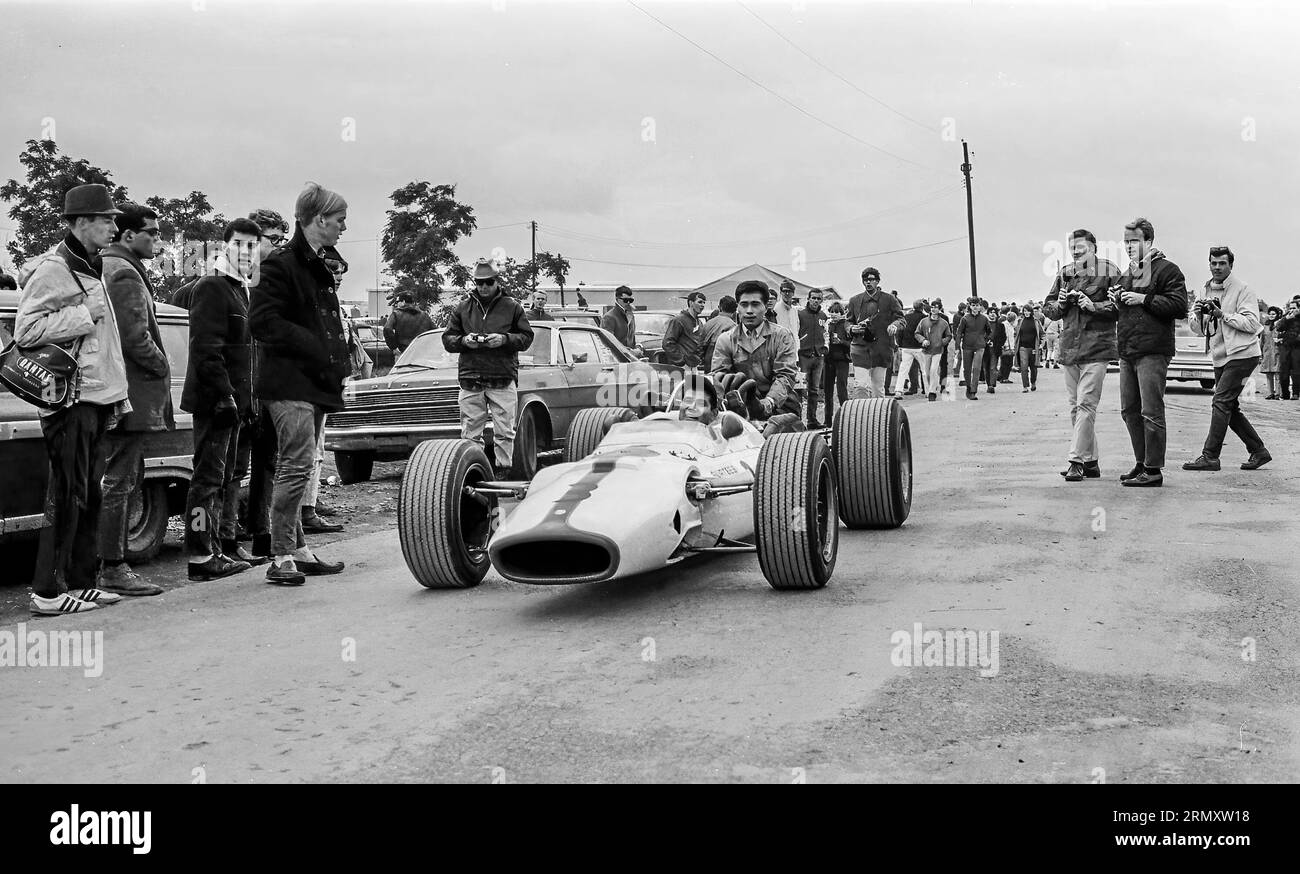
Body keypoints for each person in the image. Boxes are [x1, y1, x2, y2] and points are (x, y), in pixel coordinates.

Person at [15, 184, 131, 615]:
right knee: (64, 495)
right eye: (106, 219)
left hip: (95, 397)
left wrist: (117, 395)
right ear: (81, 222)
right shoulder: (53, 268)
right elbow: (26, 332)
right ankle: (47, 591)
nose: (114, 226)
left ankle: (82, 581)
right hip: (67, 400)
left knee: (89, 494)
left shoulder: (90, 263)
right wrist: (83, 315)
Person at [249, 182, 351, 585]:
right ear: (319, 219)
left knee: (303, 464)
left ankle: (297, 547)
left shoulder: (317, 264)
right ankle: (279, 556)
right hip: (289, 383)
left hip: (314, 381)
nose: (344, 227)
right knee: (294, 467)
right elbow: (263, 322)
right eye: (339, 220)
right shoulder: (281, 264)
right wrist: (315, 346)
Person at [181, 218, 261, 581]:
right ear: (224, 246)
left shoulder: (239, 288)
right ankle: (200, 555)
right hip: (215, 402)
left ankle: (217, 548)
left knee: (224, 478)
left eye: (252, 245)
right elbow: (205, 349)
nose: (246, 252)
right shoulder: (212, 287)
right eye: (239, 244)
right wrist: (225, 395)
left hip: (234, 404)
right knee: (206, 481)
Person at [96, 203, 171, 595]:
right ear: (128, 236)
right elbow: (134, 338)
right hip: (128, 393)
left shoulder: (107, 265)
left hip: (109, 391)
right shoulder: (124, 272)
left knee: (112, 478)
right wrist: (162, 364)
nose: (157, 239)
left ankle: (101, 564)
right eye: (152, 233)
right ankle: (113, 566)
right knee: (122, 481)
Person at [1115, 217, 1188, 487]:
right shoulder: (1128, 274)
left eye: (1134, 241)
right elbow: (1123, 310)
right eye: (1125, 242)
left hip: (1153, 350)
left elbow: (1180, 306)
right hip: (1128, 349)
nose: (1129, 246)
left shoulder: (1167, 270)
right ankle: (1142, 462)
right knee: (1129, 410)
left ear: (1149, 241)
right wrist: (1118, 300)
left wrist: (1142, 298)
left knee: (1151, 411)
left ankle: (1154, 469)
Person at [443, 258, 534, 476]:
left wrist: (504, 339)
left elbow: (527, 337)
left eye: (488, 282)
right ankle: (473, 471)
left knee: (505, 429)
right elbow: (448, 339)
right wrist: (465, 341)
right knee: (470, 431)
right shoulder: (462, 308)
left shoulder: (512, 307)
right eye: (479, 282)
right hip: (471, 378)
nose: (483, 286)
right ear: (474, 282)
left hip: (501, 376)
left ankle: (504, 469)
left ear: (496, 281)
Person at [1182, 246, 1271, 472]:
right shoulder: (1206, 290)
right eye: (1214, 263)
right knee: (1229, 408)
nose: (1217, 267)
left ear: (1231, 265)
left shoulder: (1243, 290)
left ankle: (1210, 456)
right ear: (1209, 264)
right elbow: (1199, 330)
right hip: (1221, 356)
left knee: (1221, 402)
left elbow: (1253, 324)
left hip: (1242, 355)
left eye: (1222, 263)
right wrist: (1199, 314)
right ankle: (1258, 451)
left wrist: (1222, 314)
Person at [1043, 228, 1120, 481]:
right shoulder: (1065, 273)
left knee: (1086, 404)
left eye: (1081, 248)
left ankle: (1075, 460)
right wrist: (1062, 303)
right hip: (1070, 348)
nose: (1076, 252)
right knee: (1075, 409)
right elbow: (1049, 308)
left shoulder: (1109, 271)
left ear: (1094, 248)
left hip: (1097, 348)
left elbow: (1120, 307)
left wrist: (1093, 305)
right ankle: (1091, 461)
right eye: (1073, 248)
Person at [241, 208, 289, 561]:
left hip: (265, 388)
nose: (278, 247)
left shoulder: (269, 281)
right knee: (227, 472)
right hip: (237, 390)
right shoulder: (222, 282)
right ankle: (215, 542)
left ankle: (262, 532)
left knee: (268, 463)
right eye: (274, 239)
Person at [299, 247, 349, 535]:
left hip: (326, 386)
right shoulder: (311, 303)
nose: (336, 279)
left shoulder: (332, 303)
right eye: (332, 271)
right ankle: (304, 511)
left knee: (316, 452)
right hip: (309, 387)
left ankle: (310, 505)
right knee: (306, 453)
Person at [710, 280, 802, 435]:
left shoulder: (782, 336)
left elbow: (785, 376)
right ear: (737, 308)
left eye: (755, 304)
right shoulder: (725, 339)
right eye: (744, 304)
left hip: (780, 406)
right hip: (738, 408)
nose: (749, 310)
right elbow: (719, 378)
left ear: (766, 307)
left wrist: (768, 403)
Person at [844, 267, 905, 398]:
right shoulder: (854, 300)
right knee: (861, 385)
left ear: (877, 281)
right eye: (865, 280)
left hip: (881, 349)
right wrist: (851, 328)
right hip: (860, 348)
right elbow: (848, 321)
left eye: (871, 279)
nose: (868, 282)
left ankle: (879, 417)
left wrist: (895, 325)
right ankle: (862, 416)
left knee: (878, 387)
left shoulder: (889, 299)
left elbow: (901, 319)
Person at [796, 288, 828, 427]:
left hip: (818, 356)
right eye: (813, 298)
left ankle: (812, 420)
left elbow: (826, 333)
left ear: (821, 300)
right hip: (803, 356)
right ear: (808, 299)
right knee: (800, 389)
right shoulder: (800, 315)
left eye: (818, 298)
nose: (815, 301)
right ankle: (797, 420)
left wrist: (825, 348)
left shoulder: (823, 316)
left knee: (814, 390)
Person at [955, 298, 992, 400]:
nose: (975, 307)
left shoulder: (984, 319)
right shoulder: (965, 319)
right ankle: (968, 386)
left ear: (980, 306)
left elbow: (989, 331)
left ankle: (973, 391)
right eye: (973, 305)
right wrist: (957, 346)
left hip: (980, 346)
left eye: (977, 305)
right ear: (970, 306)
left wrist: (986, 340)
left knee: (976, 368)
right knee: (967, 369)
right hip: (967, 346)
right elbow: (958, 333)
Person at [822, 300, 852, 421]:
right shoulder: (827, 325)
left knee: (841, 390)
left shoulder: (845, 325)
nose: (834, 314)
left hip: (842, 361)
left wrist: (841, 342)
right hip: (828, 361)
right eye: (832, 312)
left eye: (836, 312)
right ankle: (827, 419)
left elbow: (852, 344)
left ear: (841, 313)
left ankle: (846, 417)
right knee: (827, 391)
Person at [915, 301, 951, 402]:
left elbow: (949, 335)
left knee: (934, 369)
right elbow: (917, 333)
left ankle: (932, 392)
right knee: (927, 373)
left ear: (939, 309)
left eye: (936, 307)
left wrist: (942, 342)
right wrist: (923, 340)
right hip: (926, 350)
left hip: (938, 350)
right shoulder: (923, 321)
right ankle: (933, 386)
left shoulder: (944, 323)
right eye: (932, 307)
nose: (933, 309)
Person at [895, 299, 929, 400]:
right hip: (920, 347)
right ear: (922, 307)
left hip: (906, 346)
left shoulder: (906, 317)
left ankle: (898, 391)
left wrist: (900, 343)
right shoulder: (924, 318)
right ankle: (928, 391)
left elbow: (900, 332)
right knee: (924, 369)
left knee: (903, 369)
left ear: (914, 307)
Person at [662, 291, 706, 369]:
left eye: (704, 303)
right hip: (682, 368)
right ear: (691, 303)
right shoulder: (678, 320)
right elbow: (667, 343)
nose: (702, 305)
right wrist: (681, 361)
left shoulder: (699, 322)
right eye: (700, 302)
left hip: (695, 366)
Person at [699, 294, 736, 380]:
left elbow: (699, 345)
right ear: (735, 310)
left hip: (707, 361)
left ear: (719, 307)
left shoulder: (708, 323)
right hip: (724, 365)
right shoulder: (734, 327)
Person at [601, 285, 639, 352]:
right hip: (617, 357)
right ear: (617, 299)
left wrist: (638, 348)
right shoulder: (609, 317)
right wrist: (628, 351)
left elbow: (632, 338)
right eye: (625, 300)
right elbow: (608, 342)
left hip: (630, 357)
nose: (628, 302)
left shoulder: (630, 315)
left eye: (630, 300)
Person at [1015, 304, 1042, 392]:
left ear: (1031, 312)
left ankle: (1033, 382)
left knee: (1033, 367)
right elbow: (1016, 333)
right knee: (1024, 367)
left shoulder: (1036, 322)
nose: (1026, 313)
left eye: (1028, 311)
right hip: (1022, 347)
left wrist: (1041, 344)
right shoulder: (1020, 321)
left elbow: (1042, 334)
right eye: (1025, 311)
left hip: (1033, 347)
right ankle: (1025, 386)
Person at [1276, 299, 1300, 399]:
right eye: (1290, 308)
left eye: (1294, 308)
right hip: (1285, 347)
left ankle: (1295, 393)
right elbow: (1278, 328)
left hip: (1297, 347)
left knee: (1296, 372)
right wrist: (1287, 319)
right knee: (1283, 372)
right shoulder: (1285, 317)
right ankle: (1285, 394)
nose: (1292, 310)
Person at [1260, 305, 1281, 399]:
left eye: (1273, 314)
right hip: (1267, 352)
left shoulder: (1280, 324)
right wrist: (1261, 353)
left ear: (1277, 315)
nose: (1271, 315)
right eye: (1270, 314)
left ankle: (1278, 393)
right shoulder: (1265, 326)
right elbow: (1262, 340)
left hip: (1277, 351)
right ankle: (1270, 393)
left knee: (1277, 373)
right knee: (1268, 374)